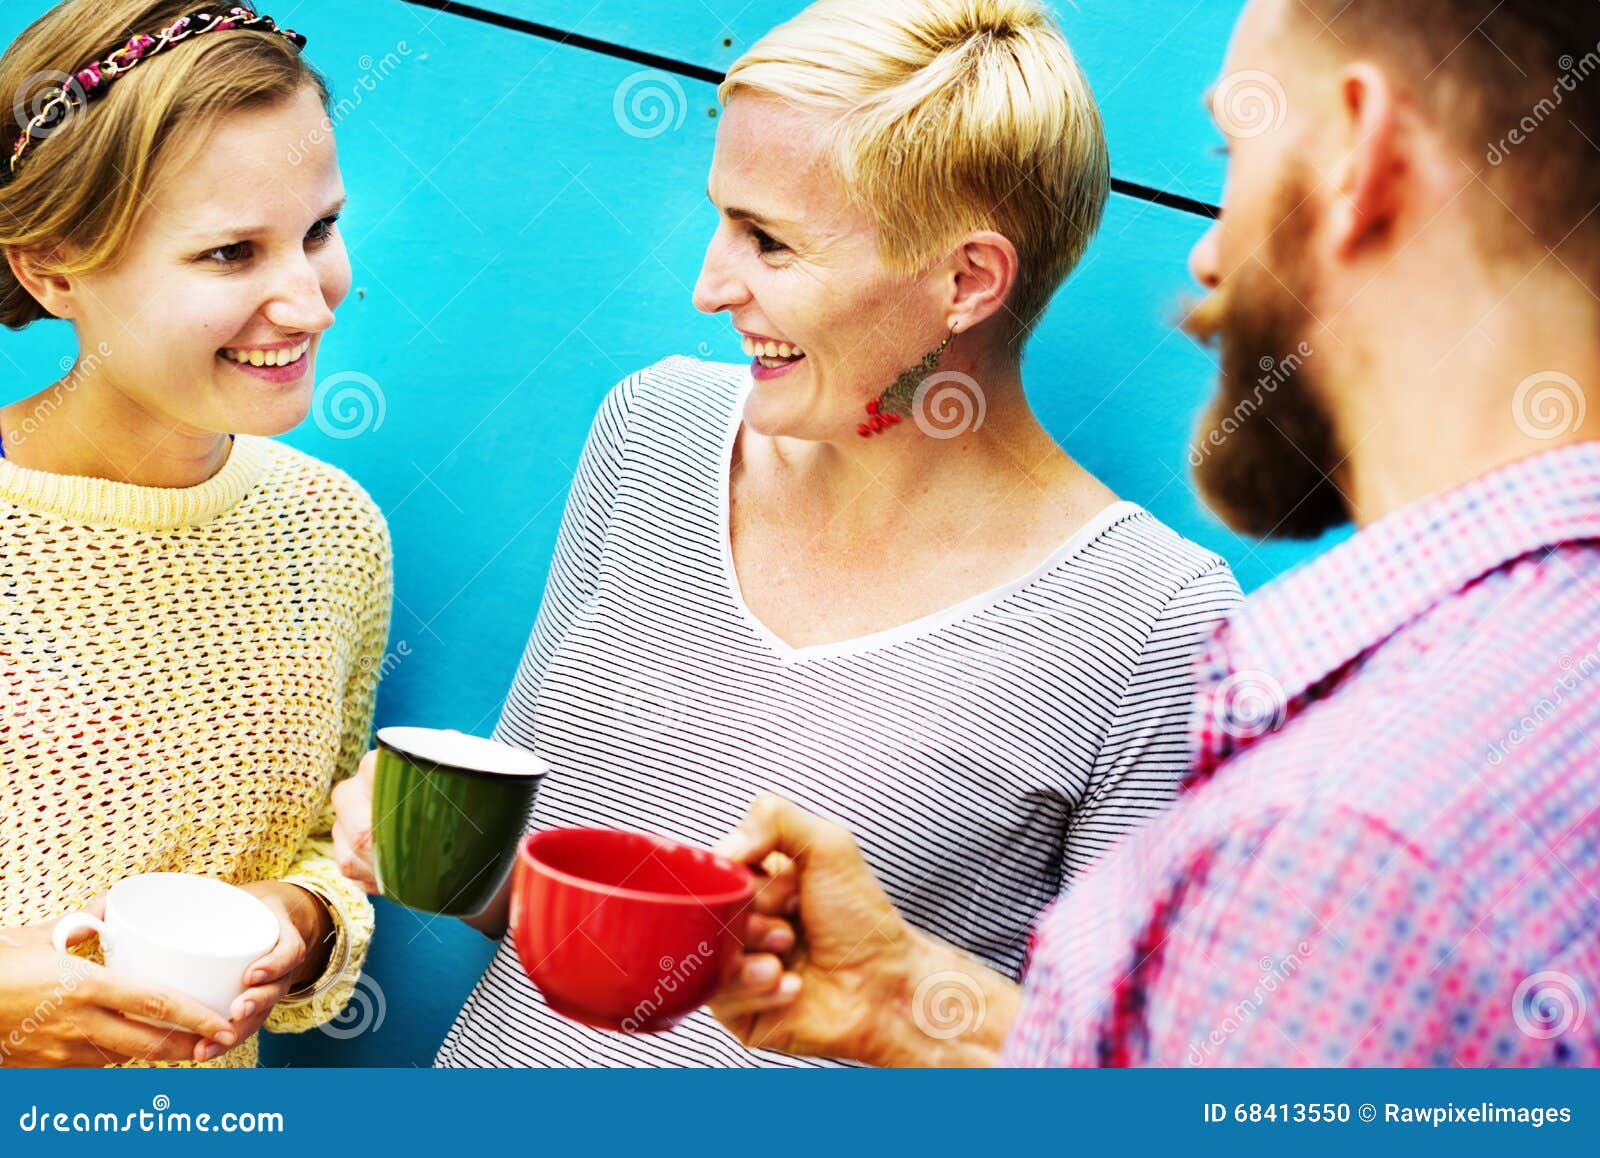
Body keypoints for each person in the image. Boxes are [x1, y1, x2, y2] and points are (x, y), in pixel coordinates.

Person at [332, 0, 1240, 1067]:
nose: (710, 286)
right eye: (722, 220)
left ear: (966, 281)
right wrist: (427, 846)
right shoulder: (655, 429)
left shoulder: (1157, 625)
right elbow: (539, 890)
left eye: (770, 241)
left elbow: (1119, 1080)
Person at [706, 0, 1600, 1067]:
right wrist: (906, 1004)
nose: (1210, 257)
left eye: (1236, 151)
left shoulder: (1346, 847)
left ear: (1358, 155)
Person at [0, 0, 390, 1068]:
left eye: (318, 230)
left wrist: (302, 926)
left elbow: (316, 848)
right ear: (52, 267)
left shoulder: (334, 532)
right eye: (230, 254)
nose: (308, 302)